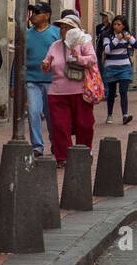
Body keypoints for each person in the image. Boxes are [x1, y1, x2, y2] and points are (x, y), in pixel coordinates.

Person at [42, 15, 98, 167]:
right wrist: (45, 65)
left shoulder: (84, 43)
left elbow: (92, 60)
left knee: (84, 125)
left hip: (81, 91)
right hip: (57, 93)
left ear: (76, 30)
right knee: (59, 126)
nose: (63, 31)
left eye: (67, 28)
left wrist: (79, 58)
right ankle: (63, 157)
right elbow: (47, 66)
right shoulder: (55, 45)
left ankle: (84, 152)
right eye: (62, 28)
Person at [26, 3, 59, 156]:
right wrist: (13, 83)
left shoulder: (56, 33)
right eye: (32, 12)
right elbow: (19, 60)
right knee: (33, 113)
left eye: (37, 12)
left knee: (52, 115)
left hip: (52, 81)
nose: (33, 15)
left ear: (46, 15)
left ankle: (55, 142)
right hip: (31, 80)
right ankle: (37, 146)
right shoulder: (26, 34)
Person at [101, 16, 137, 124]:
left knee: (123, 91)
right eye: (114, 24)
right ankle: (109, 115)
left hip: (124, 67)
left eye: (119, 24)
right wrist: (117, 39)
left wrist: (130, 38)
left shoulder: (127, 35)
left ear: (123, 26)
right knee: (111, 92)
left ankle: (125, 115)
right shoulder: (108, 35)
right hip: (111, 67)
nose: (116, 26)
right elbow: (107, 50)